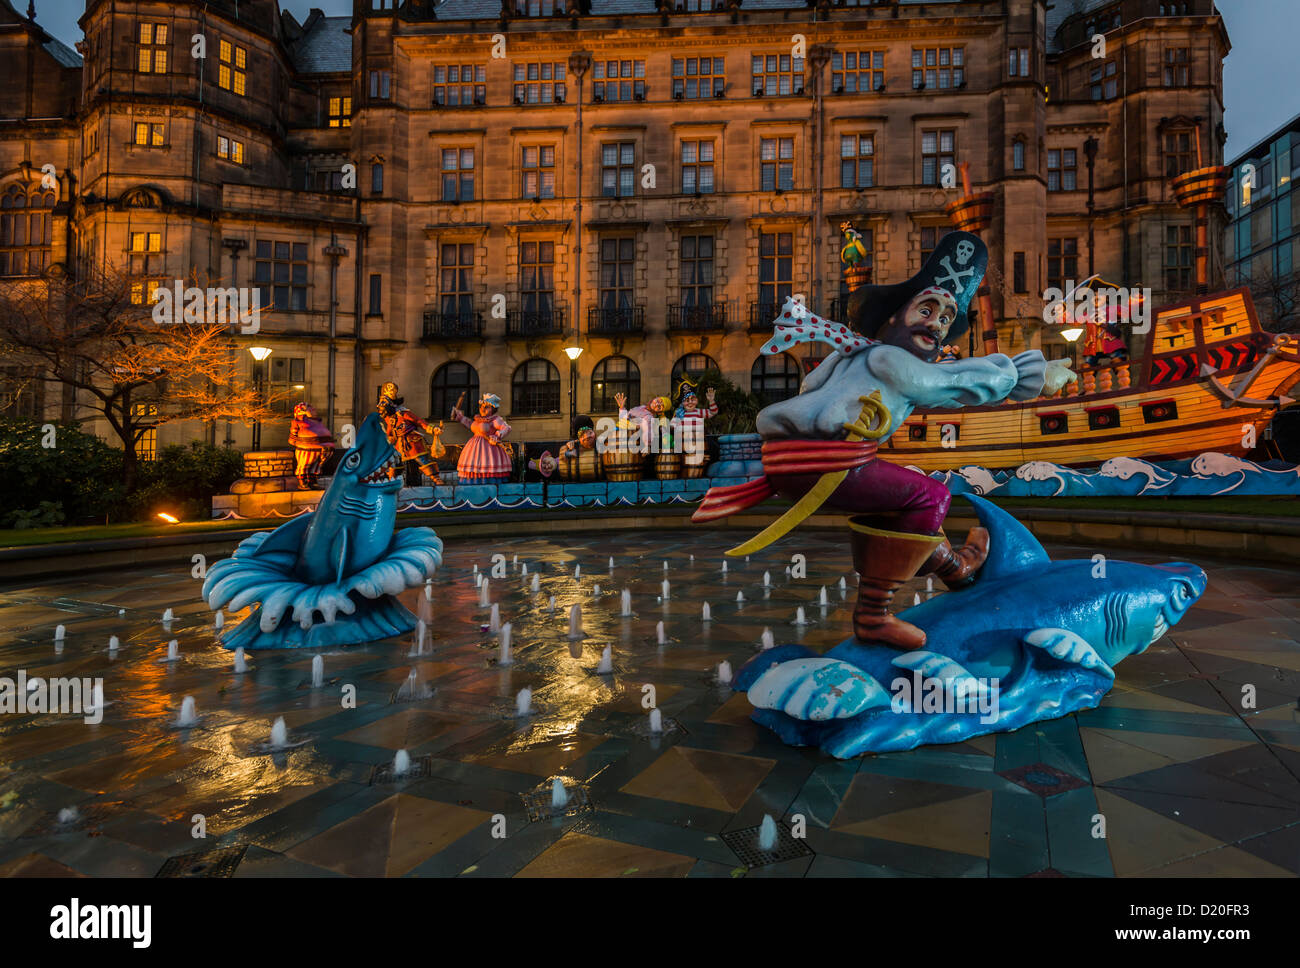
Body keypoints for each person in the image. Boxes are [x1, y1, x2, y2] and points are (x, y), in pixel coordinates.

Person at [695, 232, 1075, 650]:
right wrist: (1028, 376)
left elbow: (812, 384)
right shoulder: (888, 357)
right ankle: (875, 615)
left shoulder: (851, 356)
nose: (936, 325)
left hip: (791, 462)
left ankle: (954, 567)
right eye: (926, 310)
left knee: (897, 505)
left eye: (946, 320)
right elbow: (946, 382)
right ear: (892, 318)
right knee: (929, 497)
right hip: (829, 462)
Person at [376, 382, 443, 485]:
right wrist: (387, 439)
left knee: (422, 460)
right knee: (394, 462)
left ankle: (437, 479)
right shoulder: (389, 418)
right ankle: (390, 483)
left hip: (413, 441)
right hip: (400, 444)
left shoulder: (404, 413)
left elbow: (419, 421)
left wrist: (433, 429)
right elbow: (390, 431)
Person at [451, 392, 512, 482]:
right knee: (472, 469)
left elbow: (507, 428)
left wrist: (497, 435)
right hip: (473, 449)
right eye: (481, 406)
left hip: (489, 450)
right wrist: (460, 417)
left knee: (487, 467)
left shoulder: (495, 420)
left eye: (486, 407)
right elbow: (470, 424)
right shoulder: (478, 419)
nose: (482, 409)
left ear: (493, 409)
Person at [672, 379, 718, 477]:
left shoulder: (699, 412)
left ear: (696, 401)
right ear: (682, 403)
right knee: (685, 464)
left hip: (699, 443)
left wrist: (711, 400)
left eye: (693, 399)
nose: (690, 402)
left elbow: (713, 412)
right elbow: (672, 426)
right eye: (686, 400)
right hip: (684, 445)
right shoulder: (680, 414)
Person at [288, 402, 334, 488]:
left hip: (323, 449)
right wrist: (301, 442)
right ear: (303, 411)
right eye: (311, 409)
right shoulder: (299, 422)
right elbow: (292, 437)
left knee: (316, 466)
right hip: (307, 449)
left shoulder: (318, 421)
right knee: (304, 465)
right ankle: (303, 482)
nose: (314, 410)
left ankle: (313, 481)